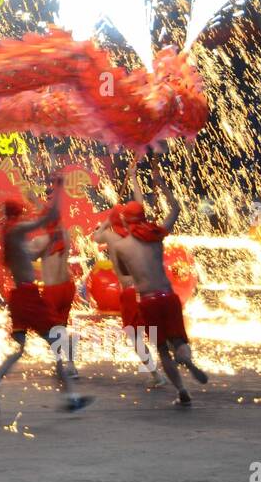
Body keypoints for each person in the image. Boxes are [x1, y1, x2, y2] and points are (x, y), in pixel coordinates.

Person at [0, 176, 93, 415]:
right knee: (57, 344)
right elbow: (48, 217)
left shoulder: (10, 234)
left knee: (21, 348)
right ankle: (71, 396)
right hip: (29, 297)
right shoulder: (17, 229)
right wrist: (59, 190)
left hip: (19, 297)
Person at [105, 163, 208, 406]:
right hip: (168, 296)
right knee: (180, 341)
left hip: (148, 301)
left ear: (125, 222)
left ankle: (182, 390)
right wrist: (161, 184)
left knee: (162, 349)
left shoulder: (120, 246)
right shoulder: (157, 234)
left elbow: (123, 275)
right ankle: (185, 357)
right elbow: (176, 209)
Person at [92, 218, 169, 388]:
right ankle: (169, 363)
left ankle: (157, 375)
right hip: (148, 290)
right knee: (154, 331)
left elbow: (95, 237)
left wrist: (106, 221)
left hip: (129, 293)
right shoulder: (141, 237)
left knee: (135, 337)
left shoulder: (112, 239)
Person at [30, 216, 77, 378]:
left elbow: (27, 256)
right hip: (68, 287)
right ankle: (68, 365)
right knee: (61, 328)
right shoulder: (65, 235)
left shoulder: (40, 241)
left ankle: (65, 359)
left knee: (45, 328)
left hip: (53, 290)